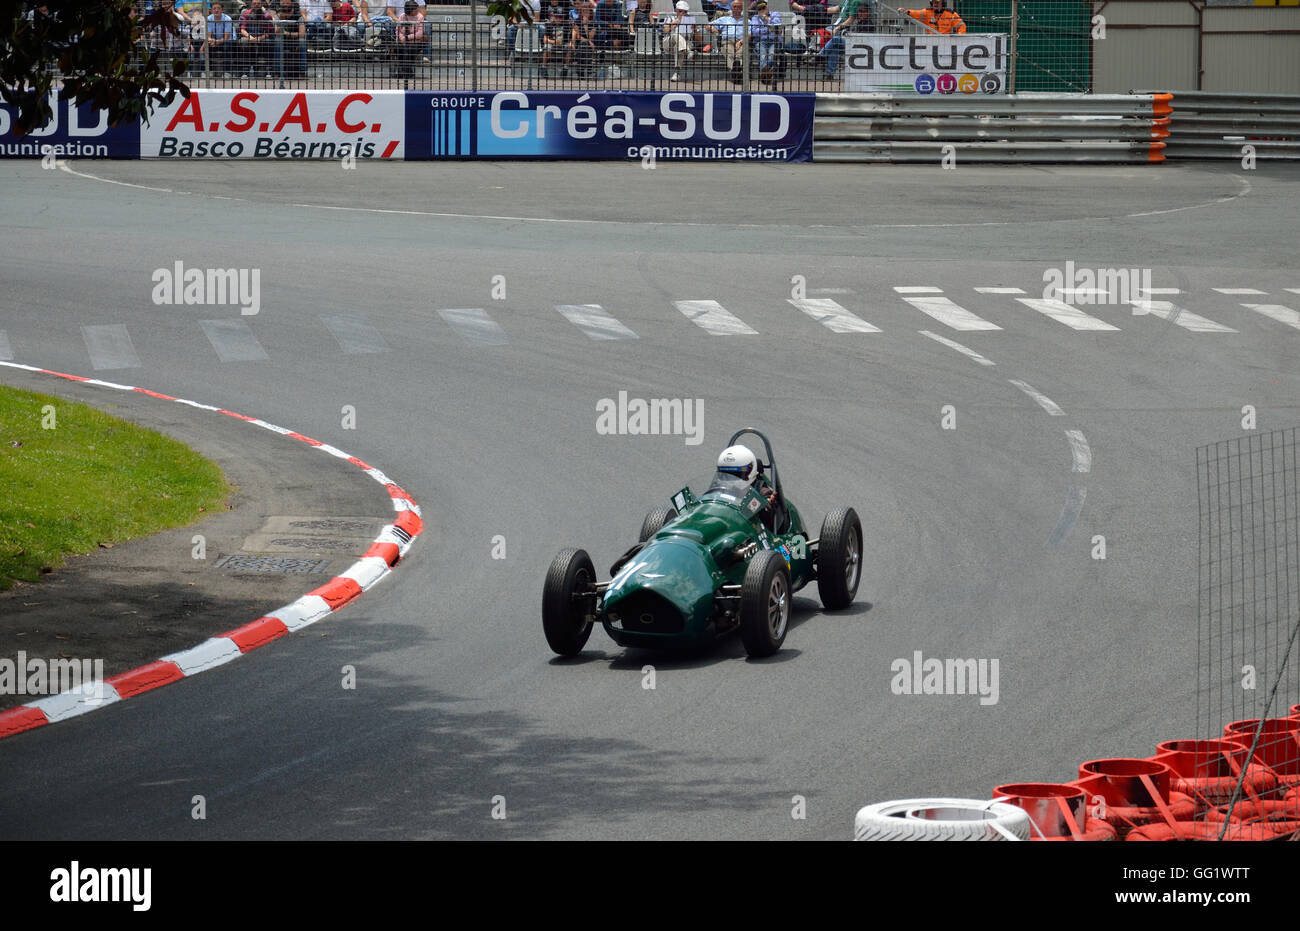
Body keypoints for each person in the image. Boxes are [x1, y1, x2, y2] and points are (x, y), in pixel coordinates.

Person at [818, 0, 871, 80]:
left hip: (856, 46)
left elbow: (861, 39)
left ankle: (820, 55)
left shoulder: (867, 23)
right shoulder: (858, 22)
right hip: (850, 42)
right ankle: (830, 74)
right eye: (859, 11)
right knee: (834, 48)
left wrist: (840, 30)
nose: (860, 13)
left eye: (863, 12)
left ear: (868, 13)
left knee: (835, 39)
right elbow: (836, 9)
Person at [705, 0, 748, 84]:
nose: (736, 9)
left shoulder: (746, 20)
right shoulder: (724, 19)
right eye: (734, 7)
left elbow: (750, 33)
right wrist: (712, 28)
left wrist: (741, 42)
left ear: (742, 8)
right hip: (727, 41)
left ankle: (735, 71)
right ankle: (736, 71)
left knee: (740, 54)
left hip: (742, 41)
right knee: (730, 53)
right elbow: (707, 25)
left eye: (739, 7)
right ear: (731, 8)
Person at [661, 0, 696, 82]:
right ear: (676, 10)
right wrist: (675, 23)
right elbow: (665, 31)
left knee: (679, 47)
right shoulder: (670, 17)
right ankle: (688, 52)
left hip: (683, 44)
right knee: (676, 35)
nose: (682, 13)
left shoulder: (690, 19)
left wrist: (695, 29)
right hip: (669, 43)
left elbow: (698, 39)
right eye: (680, 11)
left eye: (685, 11)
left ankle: (676, 73)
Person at [238, 0, 276, 74]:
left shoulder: (267, 15)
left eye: (258, 3)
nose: (256, 5)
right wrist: (250, 37)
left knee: (268, 42)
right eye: (254, 3)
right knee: (243, 41)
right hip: (248, 37)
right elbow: (242, 29)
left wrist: (260, 38)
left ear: (261, 4)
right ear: (251, 4)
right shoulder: (245, 14)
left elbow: (269, 32)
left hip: (262, 38)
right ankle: (245, 69)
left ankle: (265, 69)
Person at [748, 0, 780, 84]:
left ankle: (764, 75)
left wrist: (765, 18)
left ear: (767, 7)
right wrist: (768, 29)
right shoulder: (755, 17)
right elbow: (754, 32)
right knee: (762, 56)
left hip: (774, 41)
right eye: (760, 9)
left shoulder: (775, 14)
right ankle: (767, 75)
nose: (762, 10)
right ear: (757, 10)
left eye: (764, 7)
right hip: (760, 41)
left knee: (771, 56)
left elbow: (776, 27)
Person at [274, 0, 307, 77]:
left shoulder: (298, 16)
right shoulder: (277, 16)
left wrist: (288, 34)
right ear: (280, 4)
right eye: (283, 3)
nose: (285, 5)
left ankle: (302, 70)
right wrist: (280, 20)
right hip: (282, 39)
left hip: (295, 40)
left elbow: (302, 34)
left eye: (287, 3)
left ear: (292, 4)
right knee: (277, 41)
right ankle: (277, 71)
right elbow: (277, 33)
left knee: (302, 41)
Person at [393, 0, 424, 76]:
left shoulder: (420, 17)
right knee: (398, 48)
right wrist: (401, 38)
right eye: (415, 9)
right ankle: (405, 70)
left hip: (415, 41)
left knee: (411, 49)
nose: (417, 10)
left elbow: (419, 34)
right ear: (410, 10)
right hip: (402, 41)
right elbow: (397, 30)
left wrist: (407, 37)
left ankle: (405, 71)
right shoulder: (402, 16)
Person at [900, 0, 965, 34]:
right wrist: (907, 12)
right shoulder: (927, 12)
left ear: (943, 3)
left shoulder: (951, 14)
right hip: (931, 42)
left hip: (946, 42)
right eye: (933, 2)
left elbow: (961, 26)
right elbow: (917, 13)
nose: (935, 4)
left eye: (937, 2)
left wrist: (959, 37)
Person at [205, 1, 236, 74]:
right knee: (207, 47)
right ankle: (210, 71)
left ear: (222, 10)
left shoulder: (227, 19)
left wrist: (216, 42)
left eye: (218, 8)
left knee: (227, 48)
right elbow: (208, 36)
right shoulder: (208, 19)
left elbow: (226, 37)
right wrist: (212, 41)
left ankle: (227, 72)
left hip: (226, 41)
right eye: (214, 8)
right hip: (214, 40)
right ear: (211, 10)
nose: (216, 10)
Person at [569, 1, 597, 77]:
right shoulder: (577, 21)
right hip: (581, 44)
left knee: (584, 46)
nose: (585, 12)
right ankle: (589, 67)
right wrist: (588, 42)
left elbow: (591, 36)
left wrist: (585, 24)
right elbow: (578, 36)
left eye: (587, 10)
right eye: (583, 10)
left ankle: (580, 70)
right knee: (583, 45)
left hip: (591, 45)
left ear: (590, 11)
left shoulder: (594, 22)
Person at [539, 5, 569, 76]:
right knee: (547, 47)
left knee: (569, 47)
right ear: (553, 16)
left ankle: (565, 67)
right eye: (557, 17)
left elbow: (570, 39)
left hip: (563, 44)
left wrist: (570, 43)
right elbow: (545, 39)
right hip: (552, 43)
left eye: (561, 17)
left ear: (564, 17)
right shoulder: (550, 25)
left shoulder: (567, 25)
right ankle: (544, 67)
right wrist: (554, 42)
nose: (559, 19)